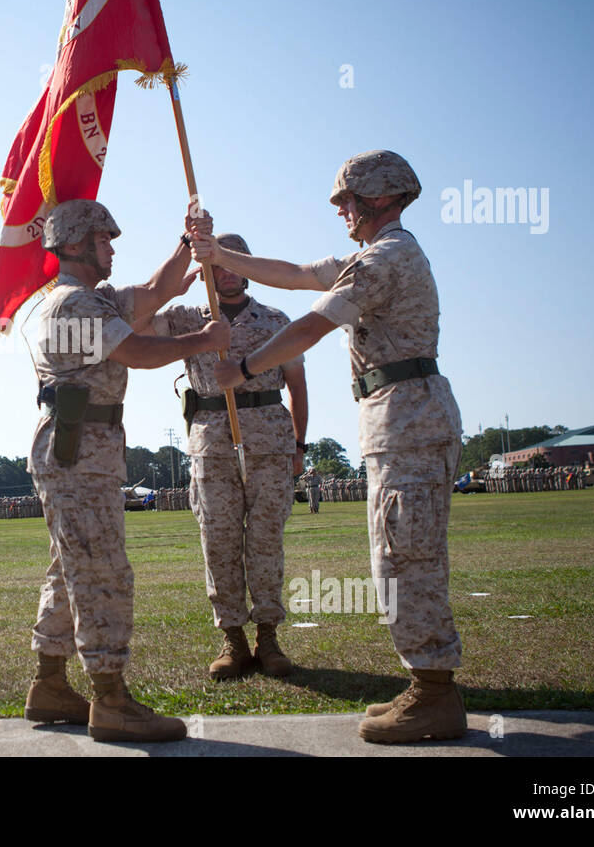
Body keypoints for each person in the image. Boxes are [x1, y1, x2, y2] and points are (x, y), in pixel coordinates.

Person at [191, 150, 466, 744]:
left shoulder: (386, 258)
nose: (340, 209)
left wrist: (245, 365)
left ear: (381, 198)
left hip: (409, 418)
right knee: (398, 554)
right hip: (397, 417)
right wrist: (218, 256)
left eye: (347, 199)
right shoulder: (372, 256)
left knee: (407, 556)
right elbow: (293, 273)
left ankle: (435, 692)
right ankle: (426, 682)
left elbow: (312, 324)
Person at [24, 198, 229, 743]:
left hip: (84, 449)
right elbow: (137, 350)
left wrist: (189, 243)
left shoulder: (93, 300)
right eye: (103, 240)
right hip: (80, 451)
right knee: (101, 572)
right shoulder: (72, 306)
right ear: (75, 245)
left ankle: (49, 687)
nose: (111, 247)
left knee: (69, 570)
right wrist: (203, 341)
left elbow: (159, 290)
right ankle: (111, 702)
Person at [145, 233, 308, 680]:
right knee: (218, 540)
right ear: (207, 272)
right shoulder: (183, 319)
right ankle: (232, 639)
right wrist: (174, 284)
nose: (229, 273)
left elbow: (296, 386)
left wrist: (298, 446)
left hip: (269, 443)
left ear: (249, 268)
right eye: (219, 266)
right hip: (212, 444)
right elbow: (134, 326)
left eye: (237, 264)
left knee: (265, 539)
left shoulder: (276, 320)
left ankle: (268, 637)